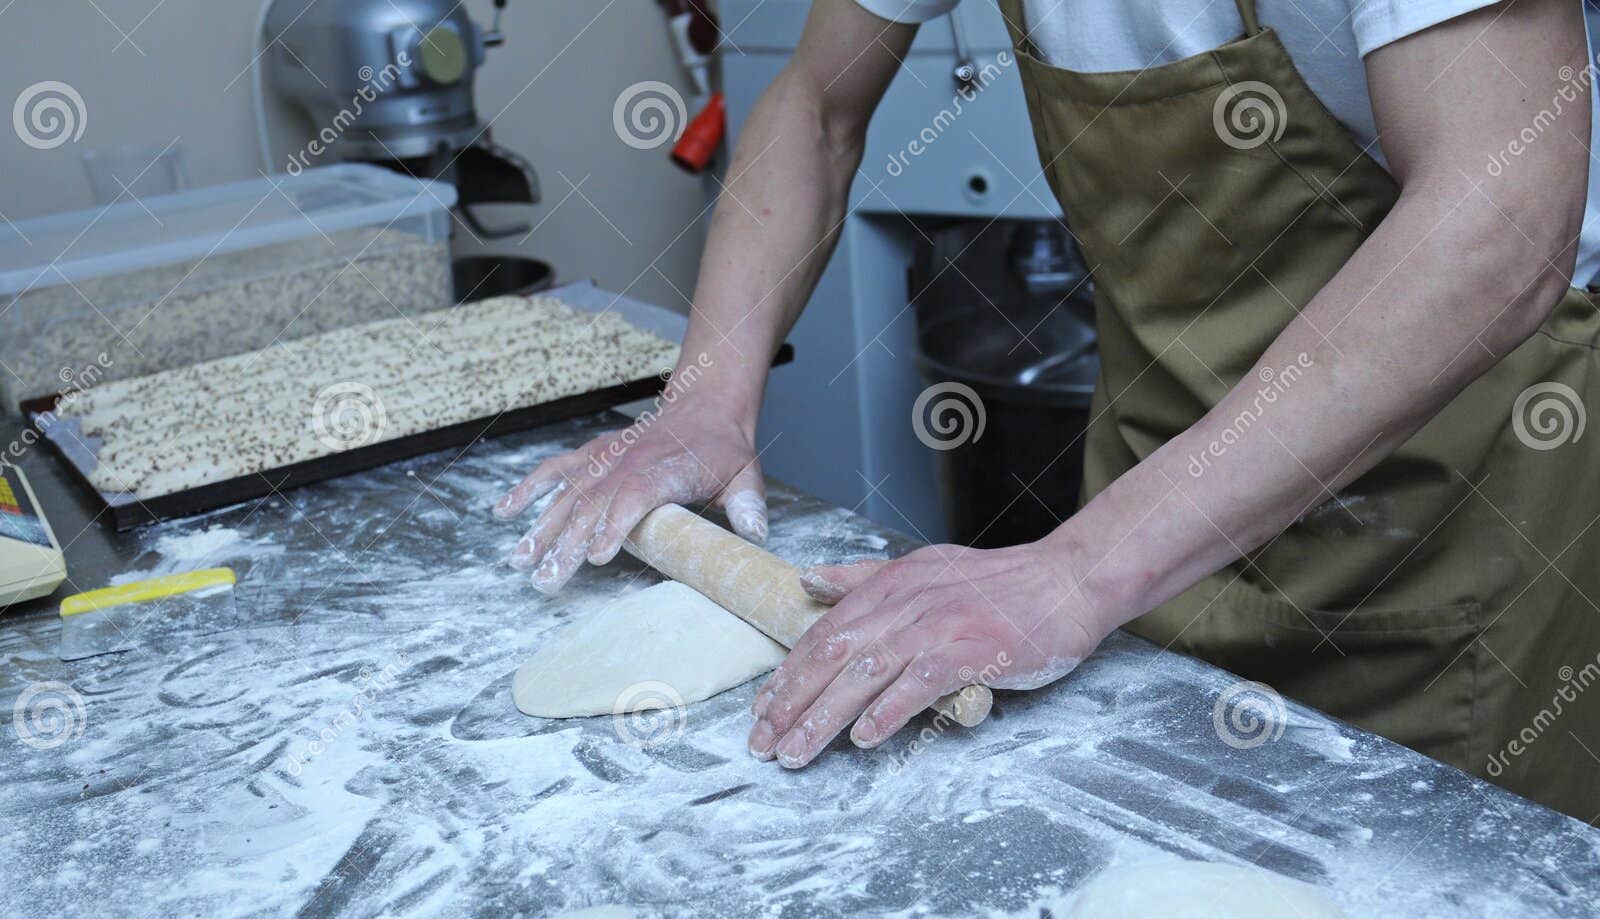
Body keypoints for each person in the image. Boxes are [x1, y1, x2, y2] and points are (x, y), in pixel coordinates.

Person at [496, 0, 1599, 822]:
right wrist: (707, 399)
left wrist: (1076, 573)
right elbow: (818, 105)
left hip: (1458, 516)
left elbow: (1497, 220)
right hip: (1161, 497)